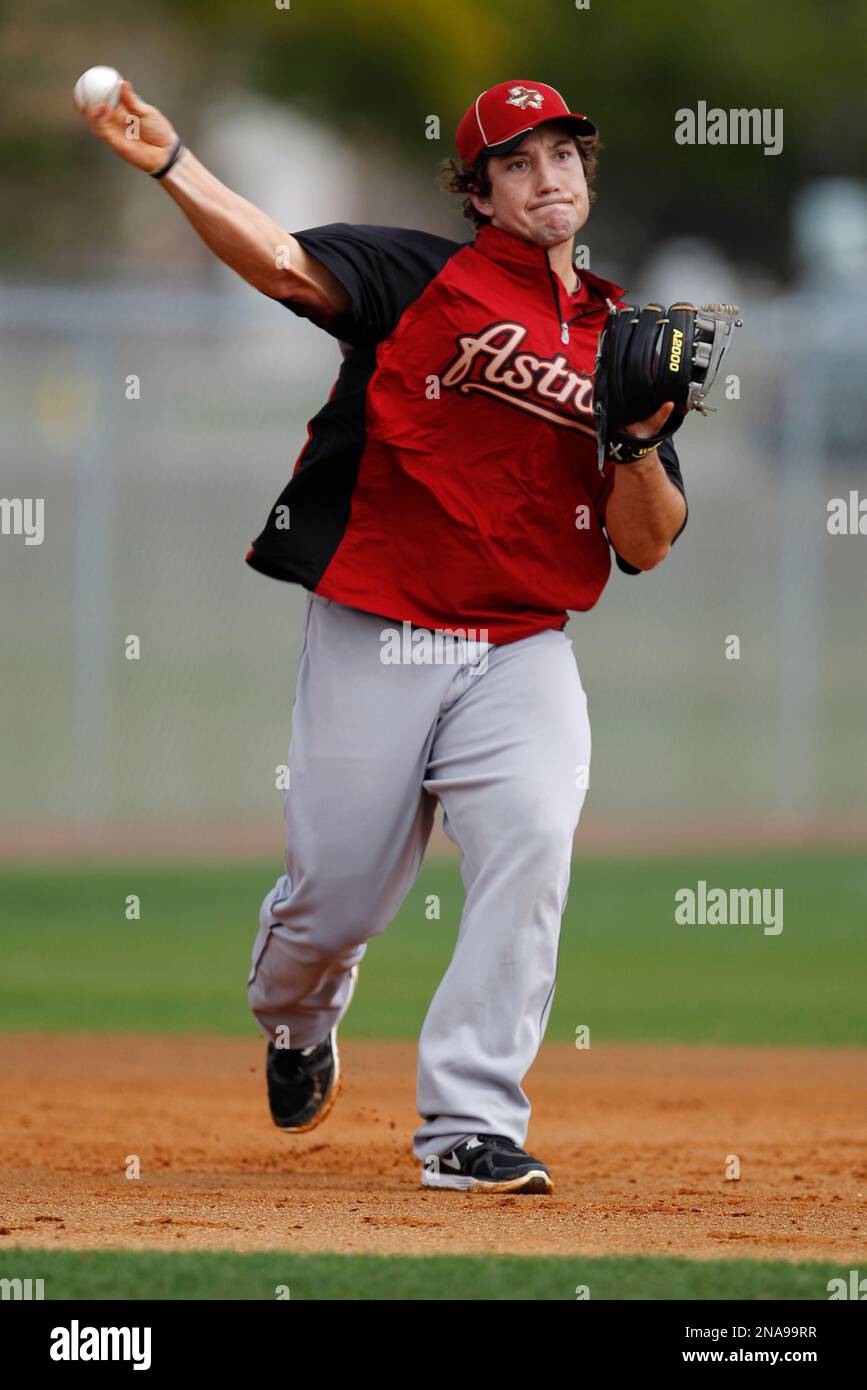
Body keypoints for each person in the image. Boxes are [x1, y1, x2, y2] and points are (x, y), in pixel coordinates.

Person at [81, 78, 687, 1194]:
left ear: (585, 174)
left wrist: (640, 438)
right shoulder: (421, 276)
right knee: (338, 898)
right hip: (380, 623)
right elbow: (278, 262)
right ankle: (296, 1015)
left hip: (523, 644)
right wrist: (175, 164)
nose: (547, 176)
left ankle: (468, 1122)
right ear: (481, 192)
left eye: (562, 155)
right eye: (517, 162)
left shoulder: (622, 340)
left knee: (531, 847)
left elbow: (647, 544)